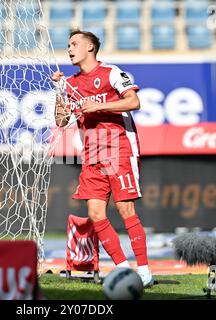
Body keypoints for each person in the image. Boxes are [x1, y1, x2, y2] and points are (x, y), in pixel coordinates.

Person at [52, 30, 154, 287]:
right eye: (68, 45)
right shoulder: (71, 84)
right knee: (95, 213)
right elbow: (61, 121)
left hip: (118, 146)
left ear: (90, 47)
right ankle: (123, 270)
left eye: (74, 43)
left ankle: (144, 270)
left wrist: (97, 106)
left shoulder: (110, 72)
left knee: (124, 208)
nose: (69, 48)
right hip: (92, 152)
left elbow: (134, 101)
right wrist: (59, 91)